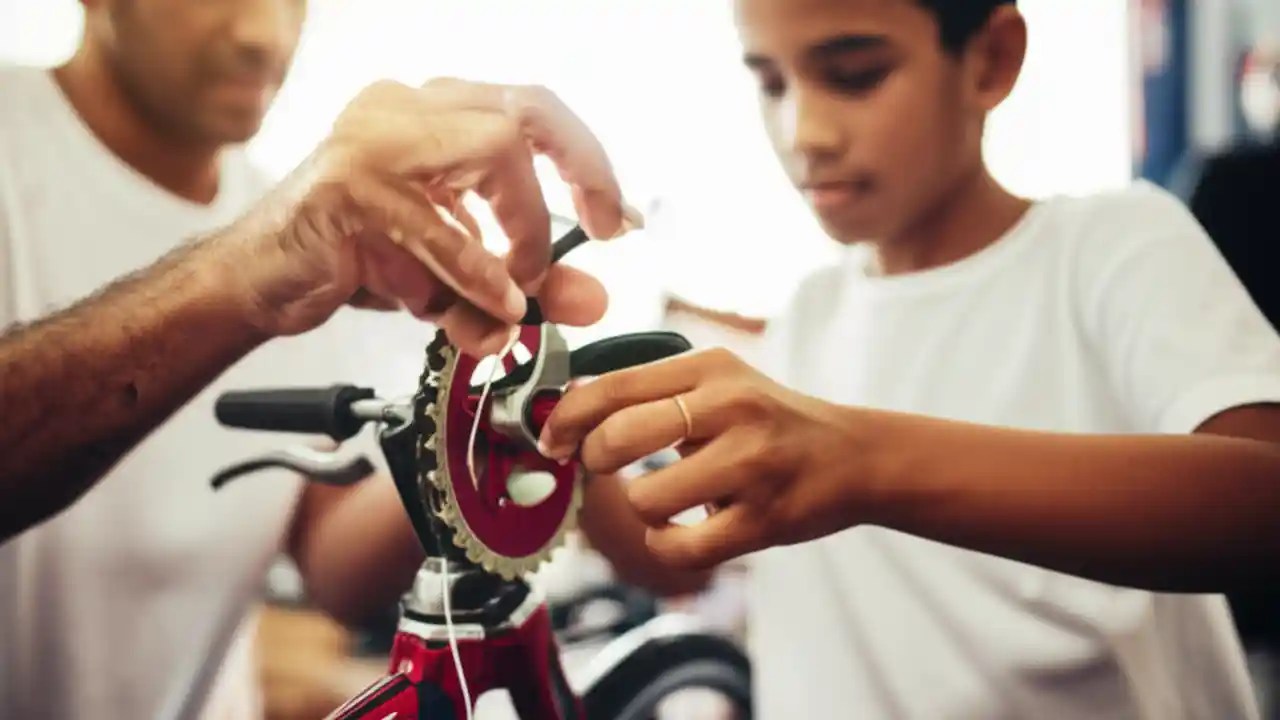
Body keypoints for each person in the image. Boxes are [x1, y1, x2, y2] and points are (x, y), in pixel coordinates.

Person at [540, 0, 1280, 718]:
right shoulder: (812, 314)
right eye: (771, 83)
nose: (805, 131)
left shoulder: (1111, 247)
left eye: (856, 74)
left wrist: (861, 465)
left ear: (990, 60)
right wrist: (549, 426)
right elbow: (681, 559)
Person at [0, 1, 626, 717]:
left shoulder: (304, 223)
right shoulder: (277, 236)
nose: (264, 36)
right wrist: (239, 280)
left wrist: (469, 436)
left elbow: (331, 564)